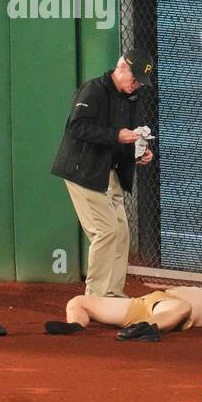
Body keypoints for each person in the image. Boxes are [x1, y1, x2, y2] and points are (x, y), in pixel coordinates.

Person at [50, 49, 156, 299]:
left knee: (121, 234)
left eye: (141, 81)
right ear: (121, 68)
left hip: (110, 174)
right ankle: (94, 299)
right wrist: (116, 136)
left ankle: (112, 294)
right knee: (106, 231)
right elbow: (77, 126)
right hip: (83, 171)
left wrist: (140, 153)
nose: (138, 84)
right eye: (135, 78)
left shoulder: (133, 98)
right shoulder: (93, 90)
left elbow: (133, 135)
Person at [46, 283, 202, 342]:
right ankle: (75, 325)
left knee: (182, 307)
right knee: (79, 302)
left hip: (174, 311)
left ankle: (147, 329)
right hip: (147, 302)